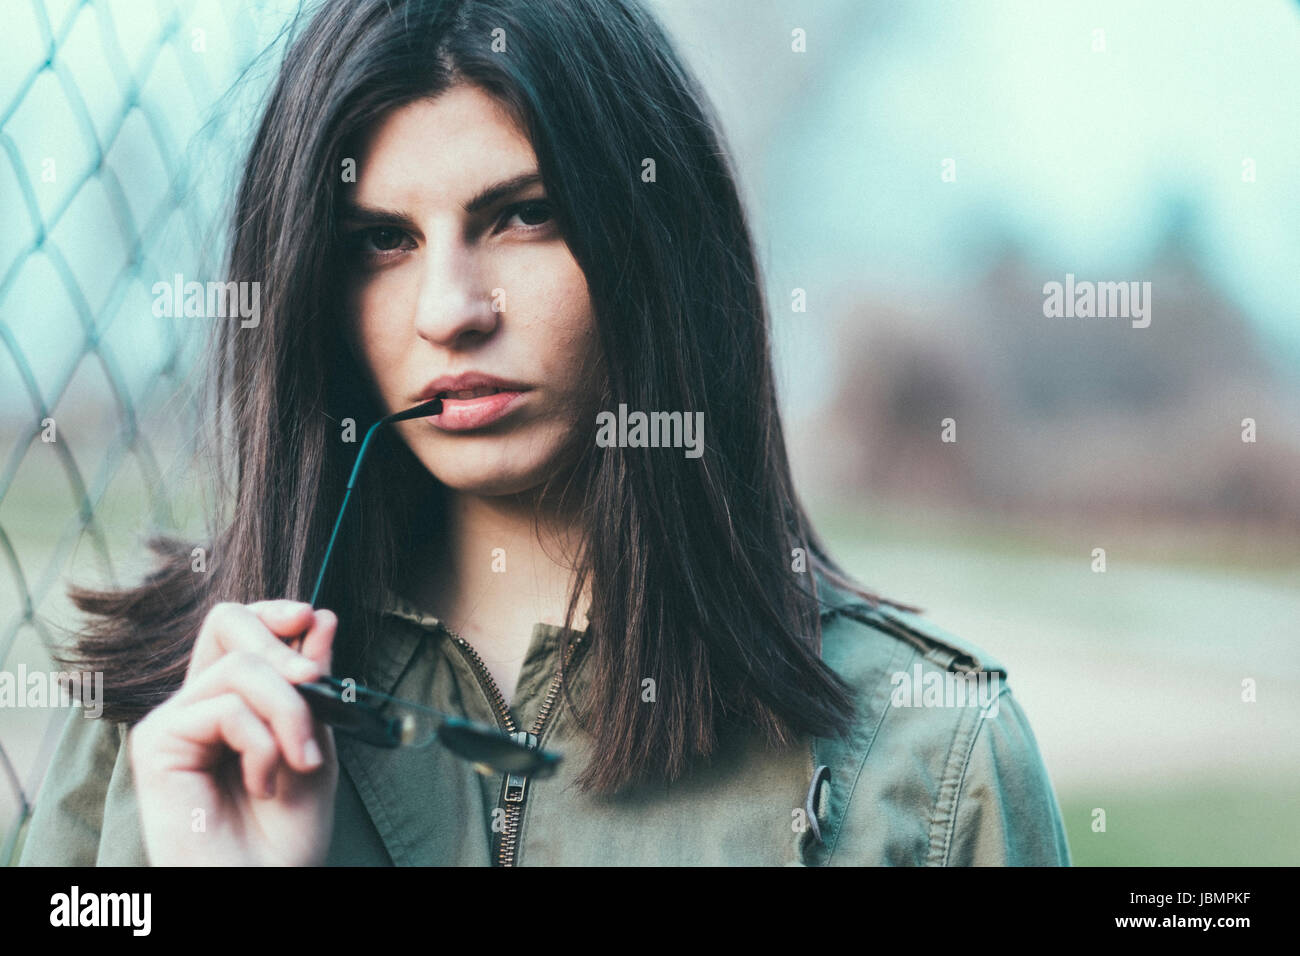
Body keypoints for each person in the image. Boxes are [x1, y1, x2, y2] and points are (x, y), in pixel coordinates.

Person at [18, 0, 1070, 867]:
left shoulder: (925, 752)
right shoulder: (163, 714)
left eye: (521, 215)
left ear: (655, 245)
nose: (450, 309)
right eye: (382, 240)